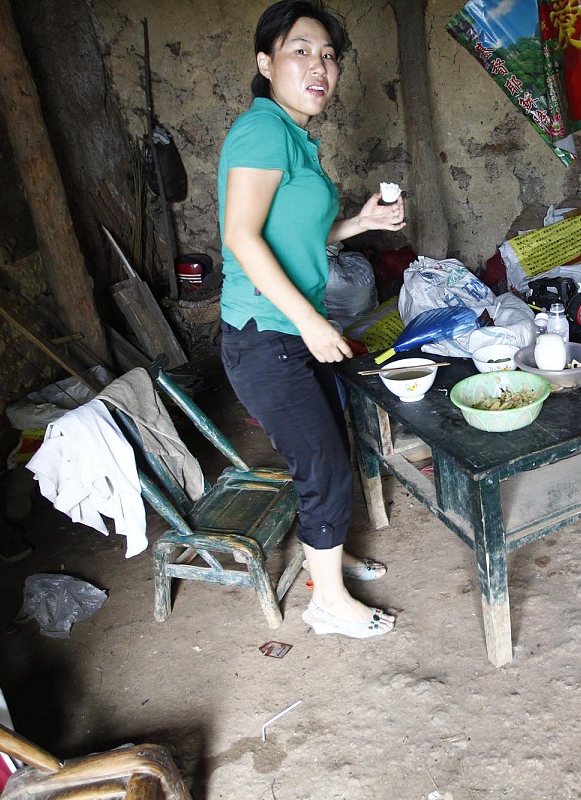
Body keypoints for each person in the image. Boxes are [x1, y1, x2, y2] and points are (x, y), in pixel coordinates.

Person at [218, 0, 406, 638]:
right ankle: (327, 602)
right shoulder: (262, 130)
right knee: (322, 460)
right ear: (264, 62)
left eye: (328, 54)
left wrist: (358, 223)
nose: (319, 65)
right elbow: (244, 238)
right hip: (265, 335)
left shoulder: (294, 136)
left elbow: (295, 232)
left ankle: (328, 560)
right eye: (301, 50)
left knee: (329, 445)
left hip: (287, 329)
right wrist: (312, 322)